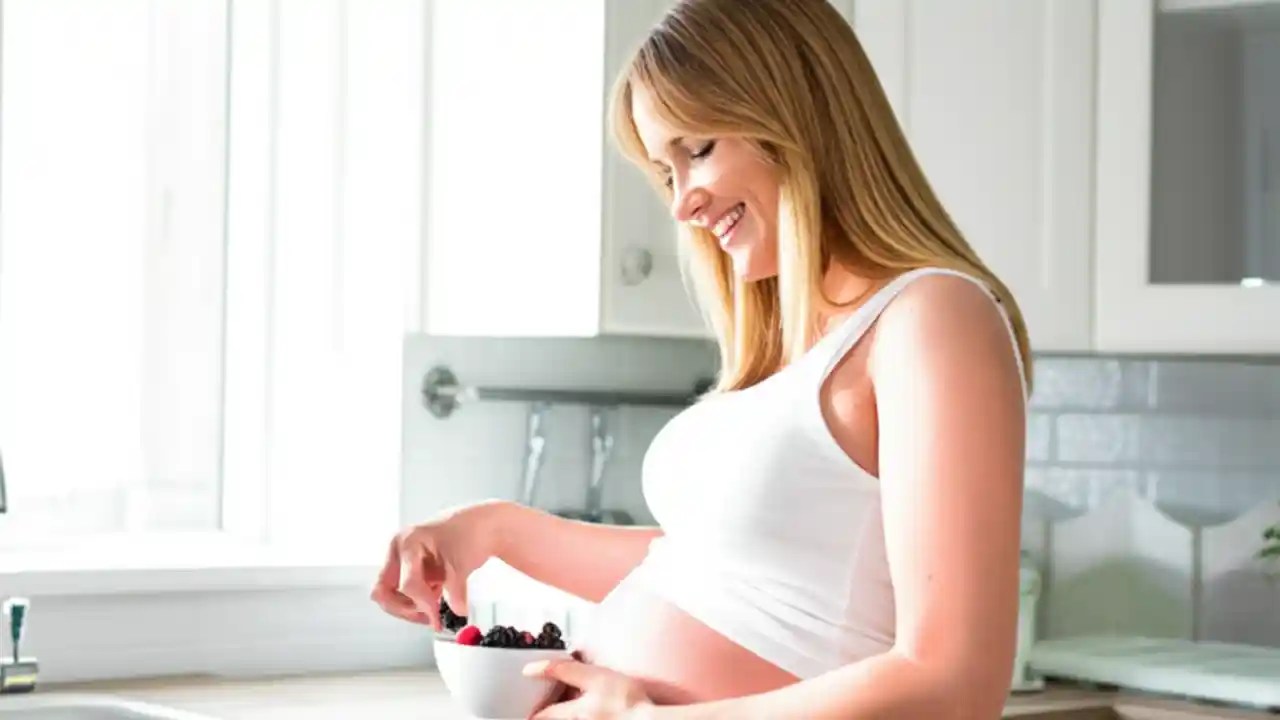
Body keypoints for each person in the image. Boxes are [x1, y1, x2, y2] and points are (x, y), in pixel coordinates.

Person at [372, 0, 1031, 717]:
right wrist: (495, 528)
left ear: (797, 113)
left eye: (698, 149)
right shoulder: (793, 348)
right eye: (665, 172)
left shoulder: (932, 318)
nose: (682, 204)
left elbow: (956, 682)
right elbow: (719, 572)